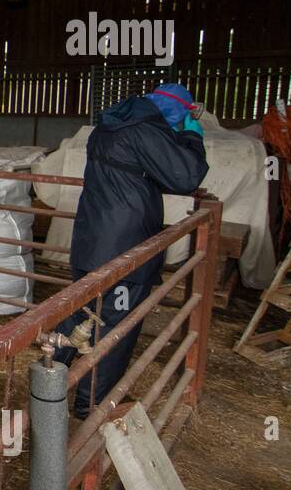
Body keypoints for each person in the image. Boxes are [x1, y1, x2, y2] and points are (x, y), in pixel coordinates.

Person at [55, 83, 209, 418]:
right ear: (173, 110)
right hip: (124, 248)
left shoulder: (109, 127)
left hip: (91, 241)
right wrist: (192, 136)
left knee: (81, 311)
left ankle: (49, 382)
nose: (184, 119)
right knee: (116, 325)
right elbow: (186, 176)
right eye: (184, 113)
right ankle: (91, 403)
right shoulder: (145, 133)